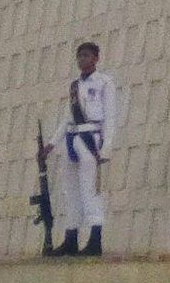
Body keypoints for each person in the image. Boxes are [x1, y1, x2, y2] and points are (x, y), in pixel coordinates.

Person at [51, 40, 119, 258]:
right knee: (70, 191)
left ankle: (94, 239)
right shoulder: (74, 85)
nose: (82, 60)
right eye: (80, 56)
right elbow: (66, 118)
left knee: (90, 190)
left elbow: (110, 116)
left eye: (87, 56)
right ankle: (71, 238)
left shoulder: (104, 83)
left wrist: (106, 147)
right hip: (71, 138)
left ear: (96, 58)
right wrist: (52, 143)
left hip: (91, 138)